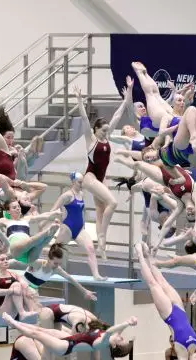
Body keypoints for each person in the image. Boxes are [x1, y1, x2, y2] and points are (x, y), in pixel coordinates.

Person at [134, 242, 196, 360]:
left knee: (153, 284)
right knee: (162, 280)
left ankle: (140, 255)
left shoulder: (182, 355)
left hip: (168, 315)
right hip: (180, 309)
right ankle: (148, 255)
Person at [73, 81, 132, 257]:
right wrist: (79, 100)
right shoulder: (91, 139)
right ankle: (102, 237)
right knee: (112, 203)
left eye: (107, 131)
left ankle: (101, 248)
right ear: (96, 129)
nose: (106, 133)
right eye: (103, 130)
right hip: (90, 177)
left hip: (101, 178)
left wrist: (127, 94)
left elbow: (117, 115)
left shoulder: (106, 138)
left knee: (100, 211)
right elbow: (84, 119)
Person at [2, 313, 136, 360]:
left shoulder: (104, 342)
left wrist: (126, 323)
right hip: (69, 338)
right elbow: (118, 331)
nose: (121, 337)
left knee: (37, 335)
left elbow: (113, 330)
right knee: (40, 330)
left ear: (114, 346)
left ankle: (12, 323)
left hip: (65, 347)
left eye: (122, 340)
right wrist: (129, 321)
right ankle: (15, 322)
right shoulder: (112, 338)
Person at [48, 172, 105, 279]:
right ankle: (47, 270)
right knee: (56, 251)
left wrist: (84, 224)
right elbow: (53, 210)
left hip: (79, 229)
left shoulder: (82, 194)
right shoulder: (67, 195)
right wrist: (53, 221)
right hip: (67, 227)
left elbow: (82, 211)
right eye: (79, 182)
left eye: (82, 182)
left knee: (90, 249)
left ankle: (96, 275)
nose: (81, 184)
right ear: (73, 182)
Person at [21, 243, 98, 301]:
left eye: (59, 263)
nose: (57, 265)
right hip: (22, 286)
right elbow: (17, 261)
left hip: (33, 290)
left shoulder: (57, 269)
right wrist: (8, 261)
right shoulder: (38, 264)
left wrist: (84, 291)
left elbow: (70, 279)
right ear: (49, 259)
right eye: (55, 263)